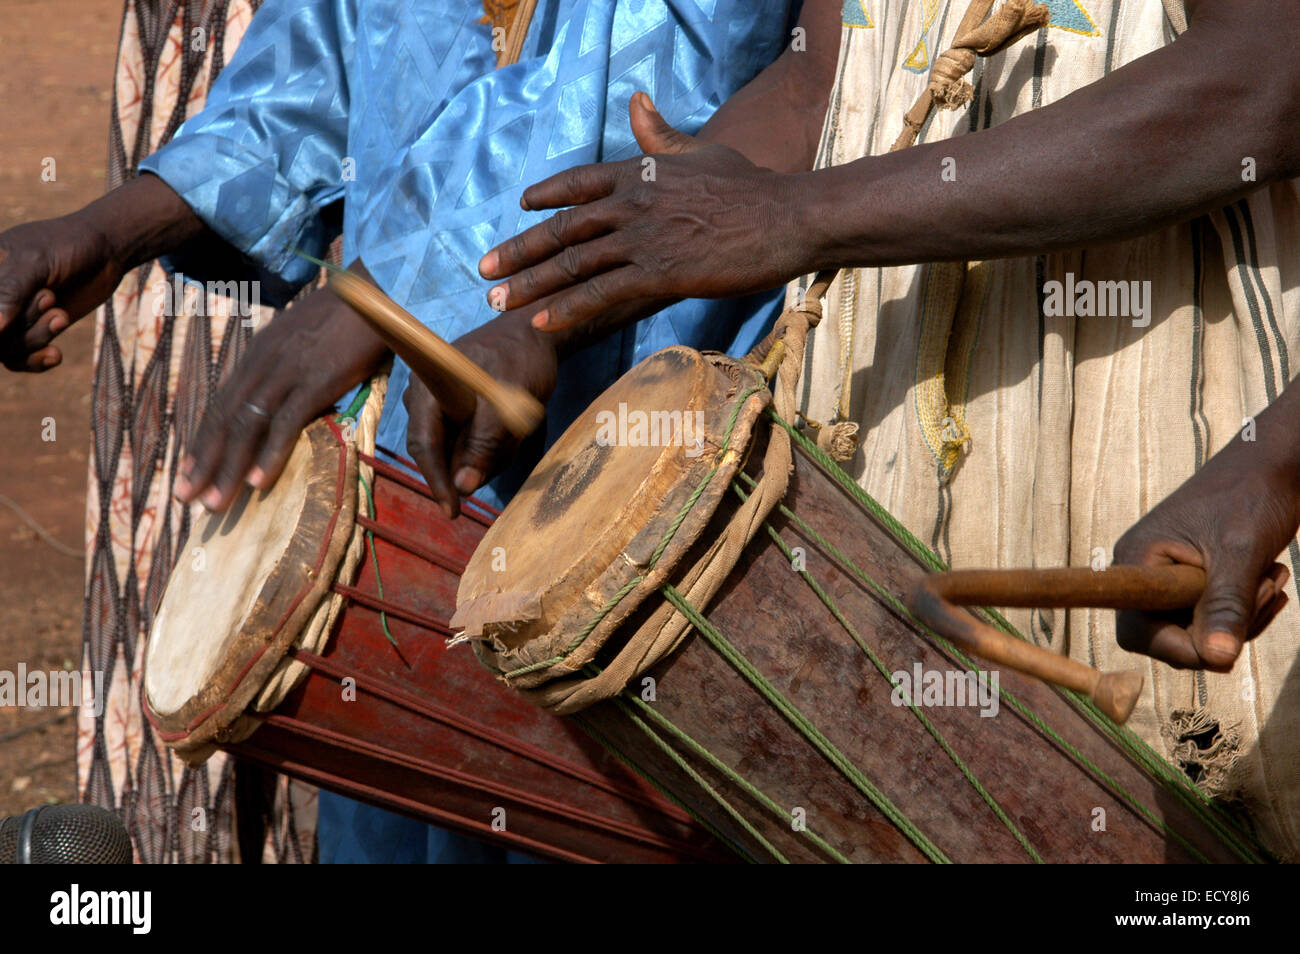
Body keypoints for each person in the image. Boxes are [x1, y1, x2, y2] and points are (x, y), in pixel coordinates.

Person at [0, 0, 827, 861]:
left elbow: (699, 76)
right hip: (409, 426)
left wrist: (391, 286)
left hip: (643, 388)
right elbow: (318, 58)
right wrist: (109, 229)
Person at [475, 0, 1300, 859]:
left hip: (1180, 446)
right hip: (891, 452)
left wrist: (1275, 459)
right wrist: (558, 292)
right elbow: (821, 75)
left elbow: (1268, 78)